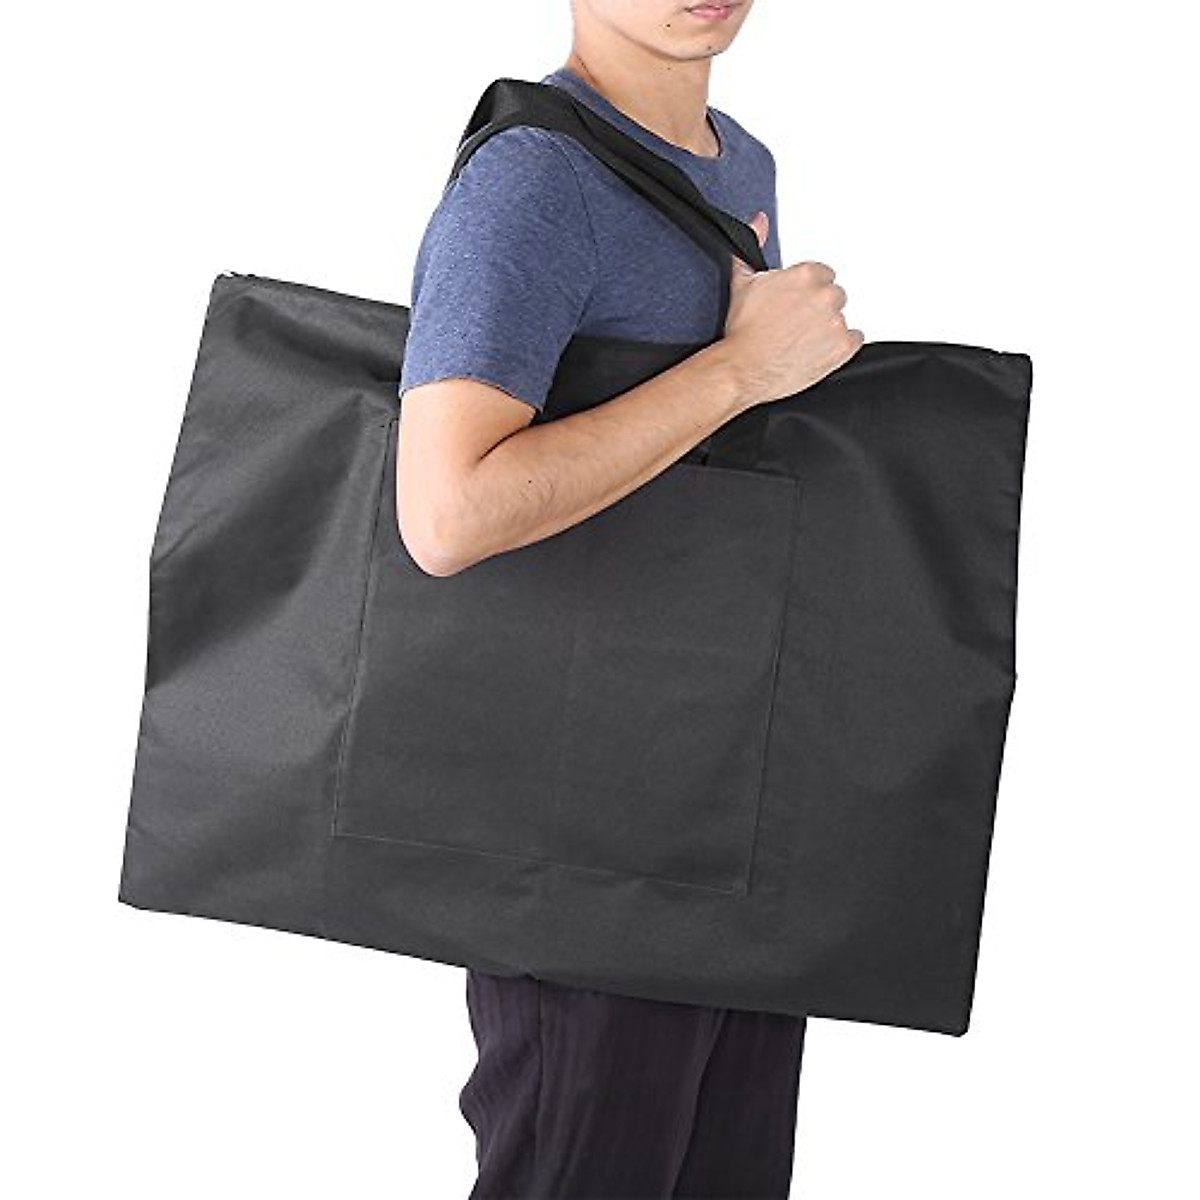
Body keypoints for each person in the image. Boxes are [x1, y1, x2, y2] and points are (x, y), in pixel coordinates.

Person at [397, 2, 862, 1195]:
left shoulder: (740, 164)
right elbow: (446, 513)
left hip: (721, 802)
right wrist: (740, 369)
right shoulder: (533, 182)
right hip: (582, 842)